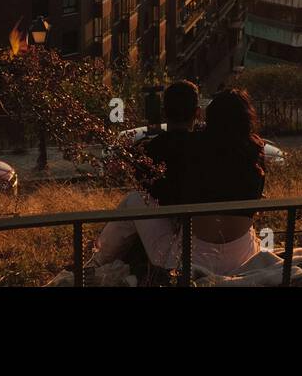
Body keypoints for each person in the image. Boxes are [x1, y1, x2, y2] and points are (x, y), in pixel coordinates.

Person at [87, 83, 266, 278]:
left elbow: (170, 194)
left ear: (208, 117)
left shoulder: (194, 147)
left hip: (189, 259)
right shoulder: (255, 154)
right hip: (244, 256)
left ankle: (94, 261)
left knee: (134, 201)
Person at [188, 87, 267, 275]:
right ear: (246, 119)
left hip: (197, 251)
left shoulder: (195, 146)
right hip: (241, 251)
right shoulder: (254, 150)